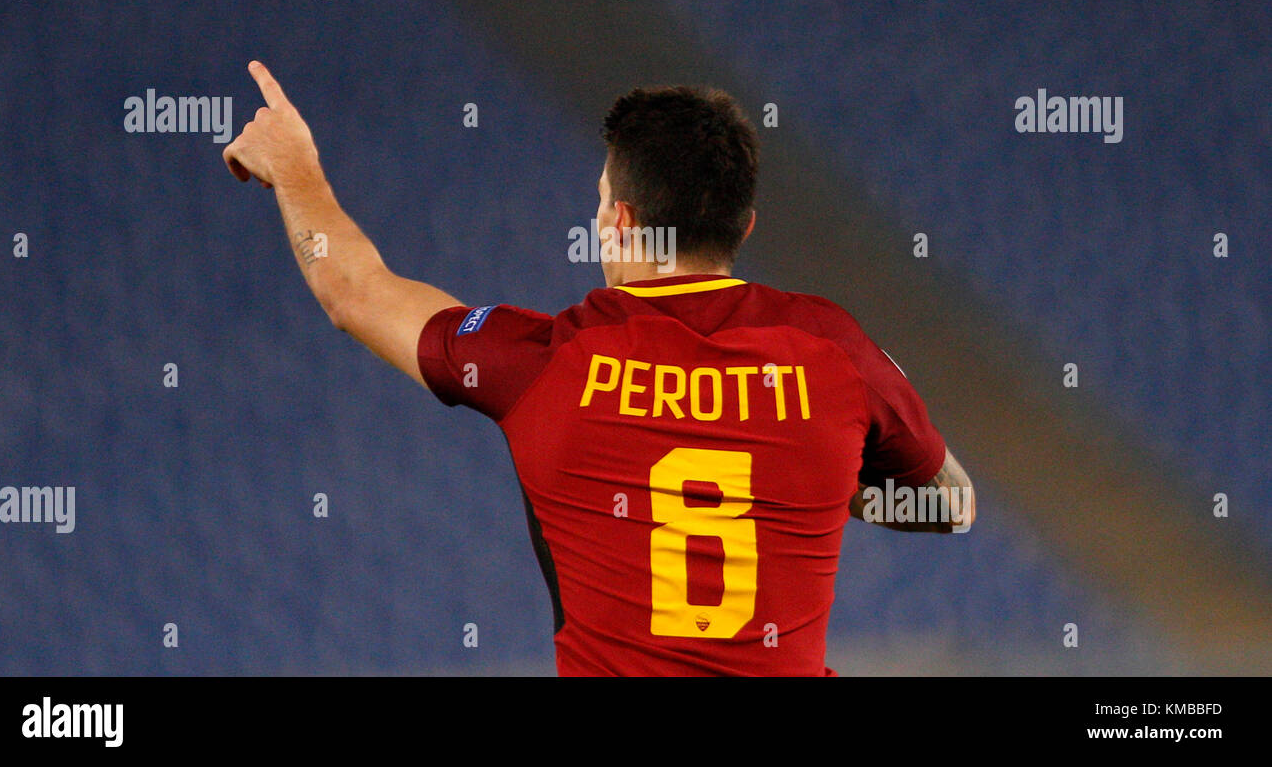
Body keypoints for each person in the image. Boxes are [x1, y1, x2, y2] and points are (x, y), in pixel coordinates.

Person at [224, 60, 975, 676]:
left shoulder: (545, 363)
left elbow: (351, 291)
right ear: (743, 226)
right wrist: (825, 488)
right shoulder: (833, 351)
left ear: (618, 222)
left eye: (599, 203)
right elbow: (951, 507)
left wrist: (295, 169)